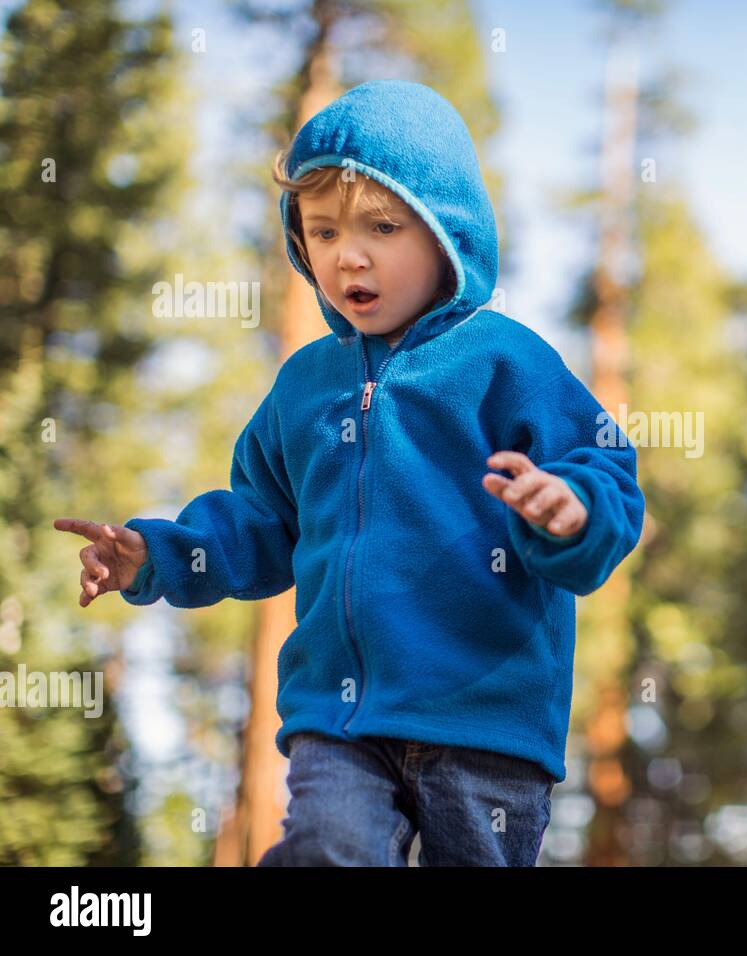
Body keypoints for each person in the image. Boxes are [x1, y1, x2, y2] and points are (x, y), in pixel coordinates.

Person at [54, 80, 645, 866]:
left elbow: (607, 471)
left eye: (383, 227)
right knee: (326, 846)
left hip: (484, 718)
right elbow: (260, 522)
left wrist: (569, 507)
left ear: (447, 233)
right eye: (323, 231)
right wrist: (157, 554)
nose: (349, 254)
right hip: (338, 721)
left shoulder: (508, 362)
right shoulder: (303, 386)